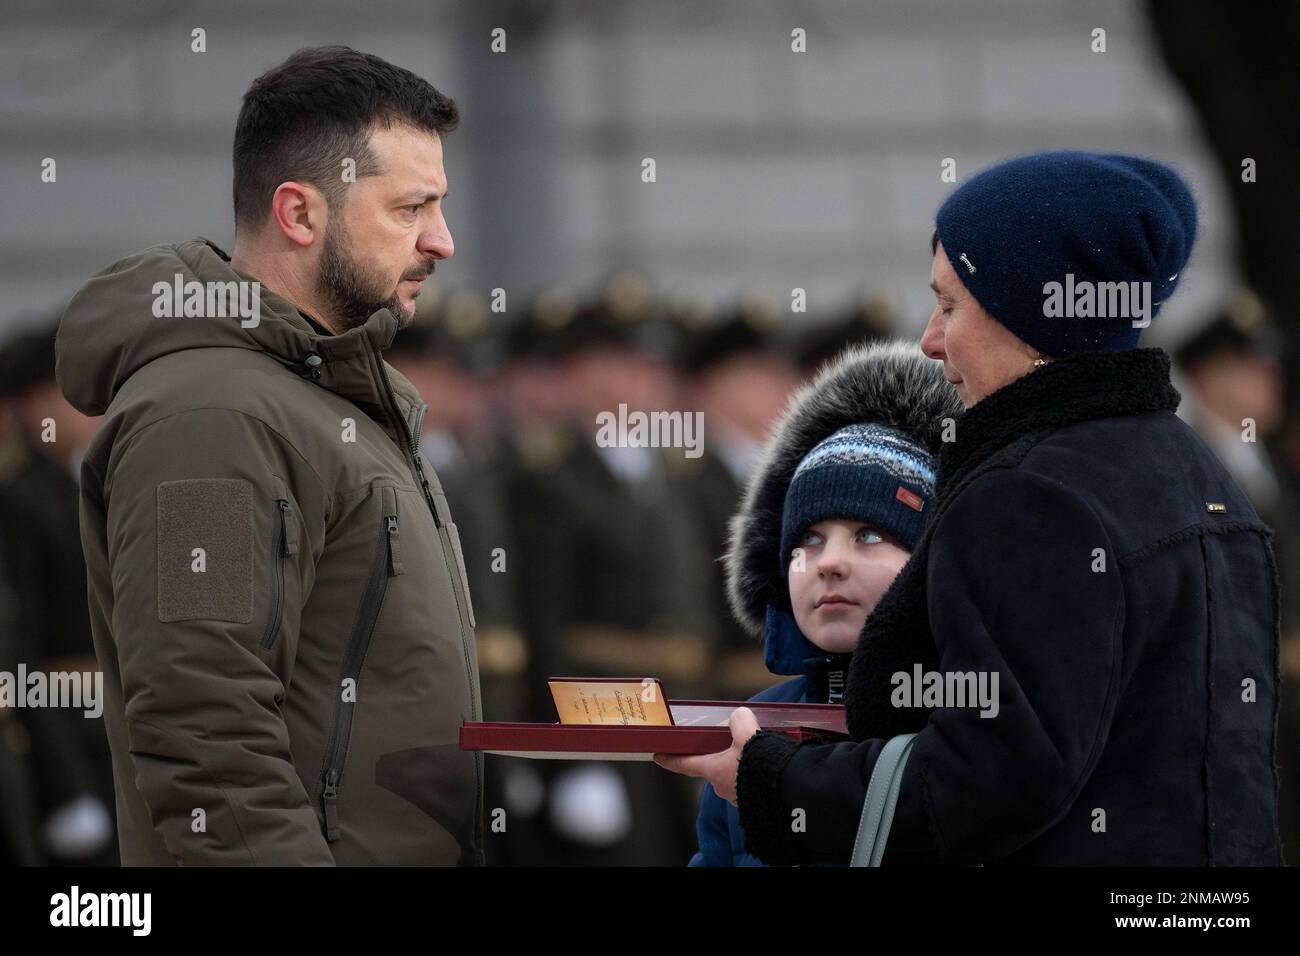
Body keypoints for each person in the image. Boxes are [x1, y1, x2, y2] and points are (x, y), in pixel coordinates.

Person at [658, 150, 1284, 866]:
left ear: (1027, 310)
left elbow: (988, 778)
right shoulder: (1195, 465)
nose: (929, 339)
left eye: (951, 305)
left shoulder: (1029, 495)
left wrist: (774, 781)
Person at [55, 46, 483, 865]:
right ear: (299, 214)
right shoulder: (210, 418)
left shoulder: (330, 396)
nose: (443, 242)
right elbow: (203, 724)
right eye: (411, 209)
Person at [691, 341, 961, 865]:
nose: (827, 563)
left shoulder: (968, 722)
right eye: (807, 540)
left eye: (868, 536)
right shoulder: (753, 723)